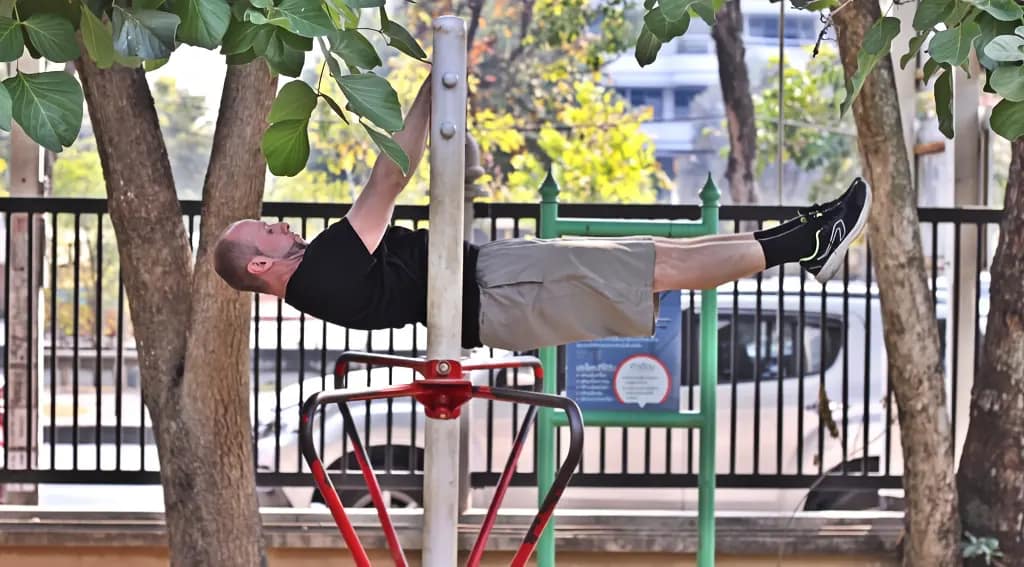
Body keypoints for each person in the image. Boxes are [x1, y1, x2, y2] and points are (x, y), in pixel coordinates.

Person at [213, 77, 871, 352]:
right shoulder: (320, 270)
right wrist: (433, 88)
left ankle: (804, 233)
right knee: (657, 267)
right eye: (267, 231)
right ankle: (808, 242)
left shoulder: (316, 278)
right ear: (262, 264)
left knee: (659, 255)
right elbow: (390, 177)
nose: (279, 224)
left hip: (494, 281)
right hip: (500, 292)